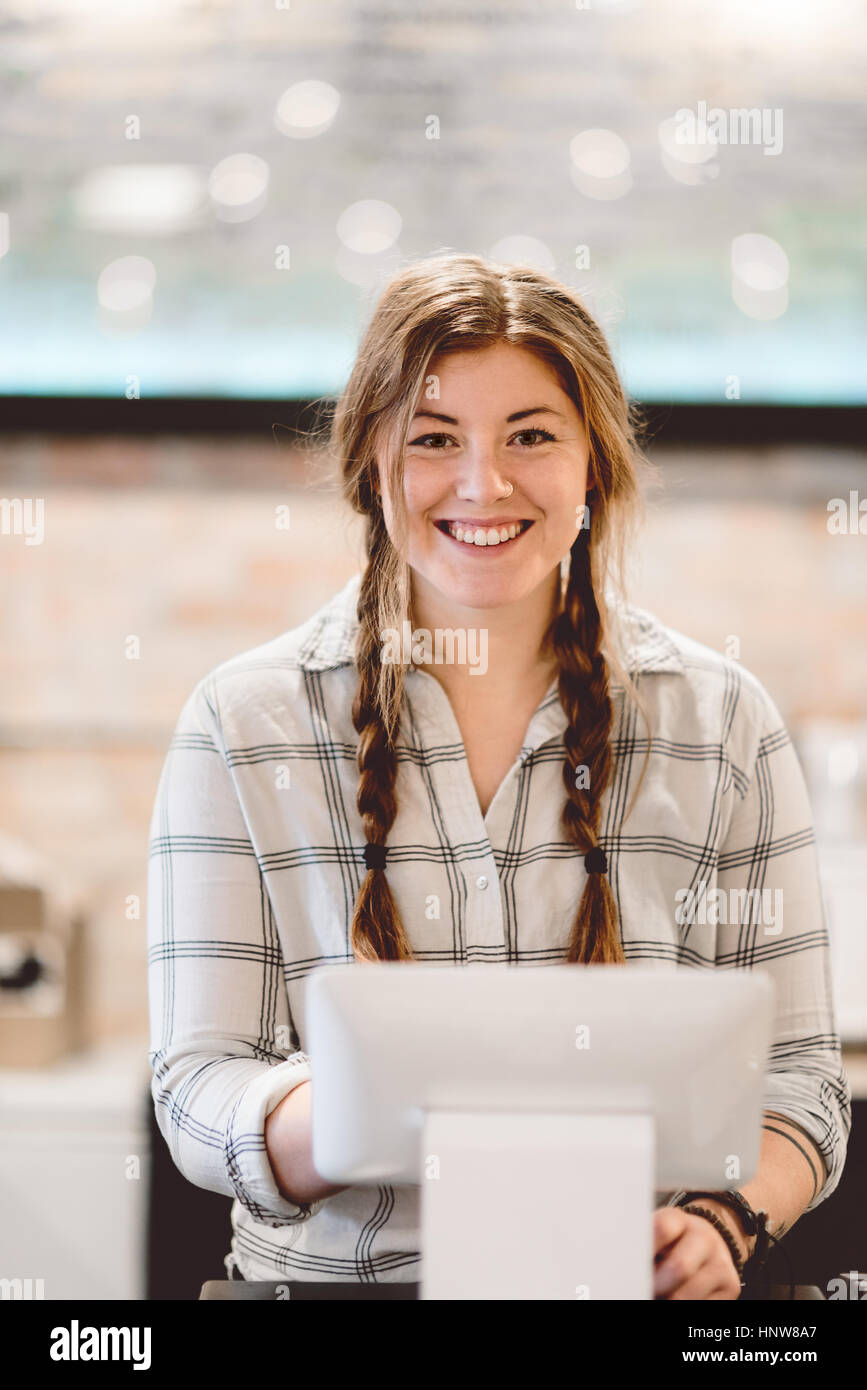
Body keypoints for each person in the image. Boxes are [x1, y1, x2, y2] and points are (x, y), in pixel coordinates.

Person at [147, 251, 850, 1299]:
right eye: (435, 439)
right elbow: (198, 1087)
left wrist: (722, 1221)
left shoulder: (727, 723)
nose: (485, 482)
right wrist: (365, 1110)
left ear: (593, 464)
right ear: (371, 468)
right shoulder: (240, 722)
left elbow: (802, 1086)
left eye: (531, 435)